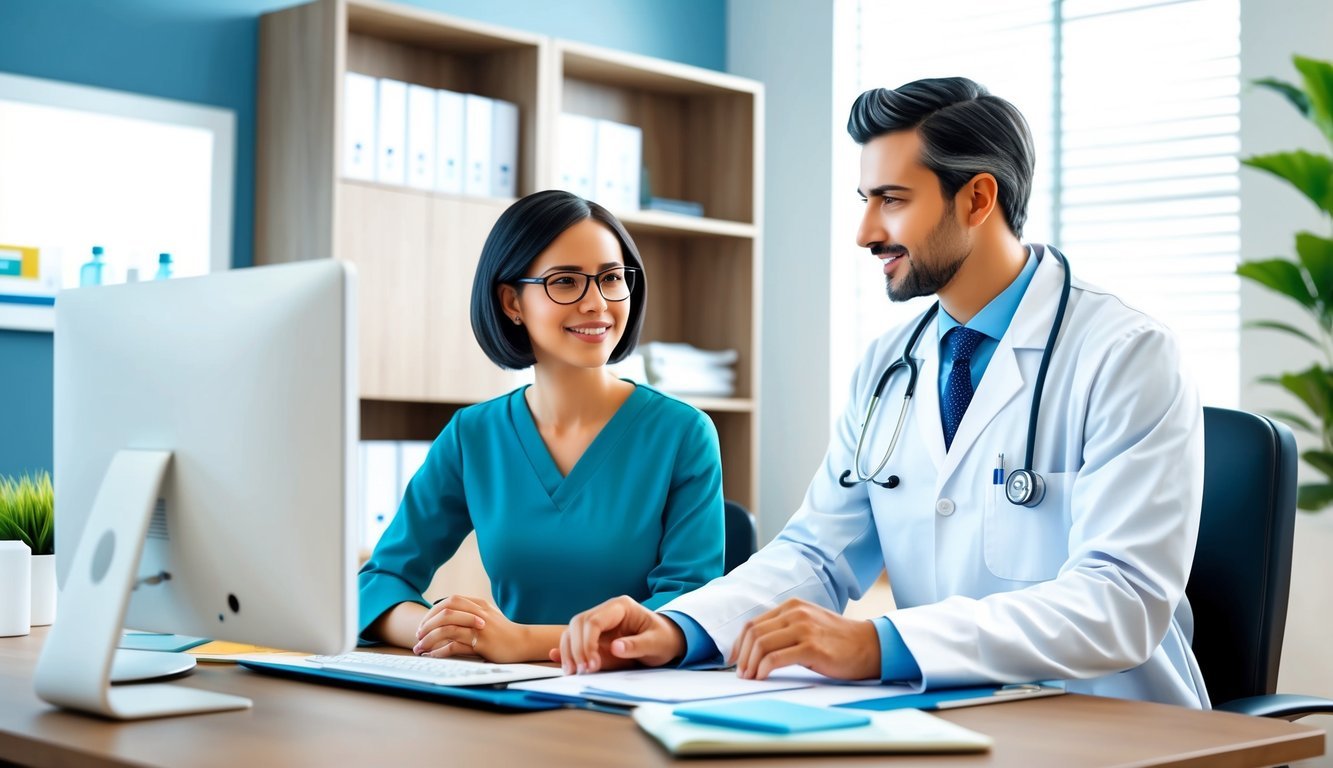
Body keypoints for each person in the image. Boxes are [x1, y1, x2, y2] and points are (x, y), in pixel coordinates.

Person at [557, 77, 1209, 709]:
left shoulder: (1124, 354)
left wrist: (880, 643)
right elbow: (817, 552)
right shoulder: (888, 363)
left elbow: (1119, 603)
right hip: (961, 720)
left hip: (1110, 725)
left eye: (891, 200)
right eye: (865, 199)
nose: (864, 232)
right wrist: (679, 629)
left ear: (977, 200)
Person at [358, 189, 725, 663]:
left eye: (612, 279)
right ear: (512, 301)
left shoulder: (683, 434)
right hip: (505, 698)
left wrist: (520, 642)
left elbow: (684, 615)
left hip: (633, 703)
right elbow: (378, 583)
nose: (597, 303)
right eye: (566, 282)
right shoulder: (473, 435)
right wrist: (447, 629)